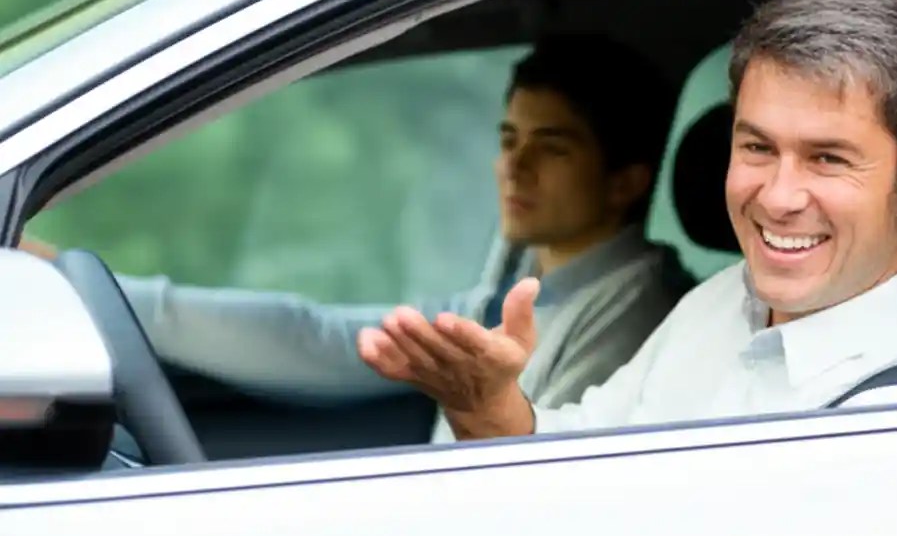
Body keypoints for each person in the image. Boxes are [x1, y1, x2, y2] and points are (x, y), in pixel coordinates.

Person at [357, 0, 897, 441]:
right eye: (757, 148)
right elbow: (571, 464)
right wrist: (485, 405)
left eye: (828, 158)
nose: (777, 196)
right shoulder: (721, 300)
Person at [23, 34, 694, 444]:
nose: (514, 167)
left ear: (625, 181)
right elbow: (315, 338)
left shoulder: (639, 311)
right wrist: (78, 280)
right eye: (507, 140)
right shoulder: (523, 294)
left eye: (553, 149)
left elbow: (549, 478)